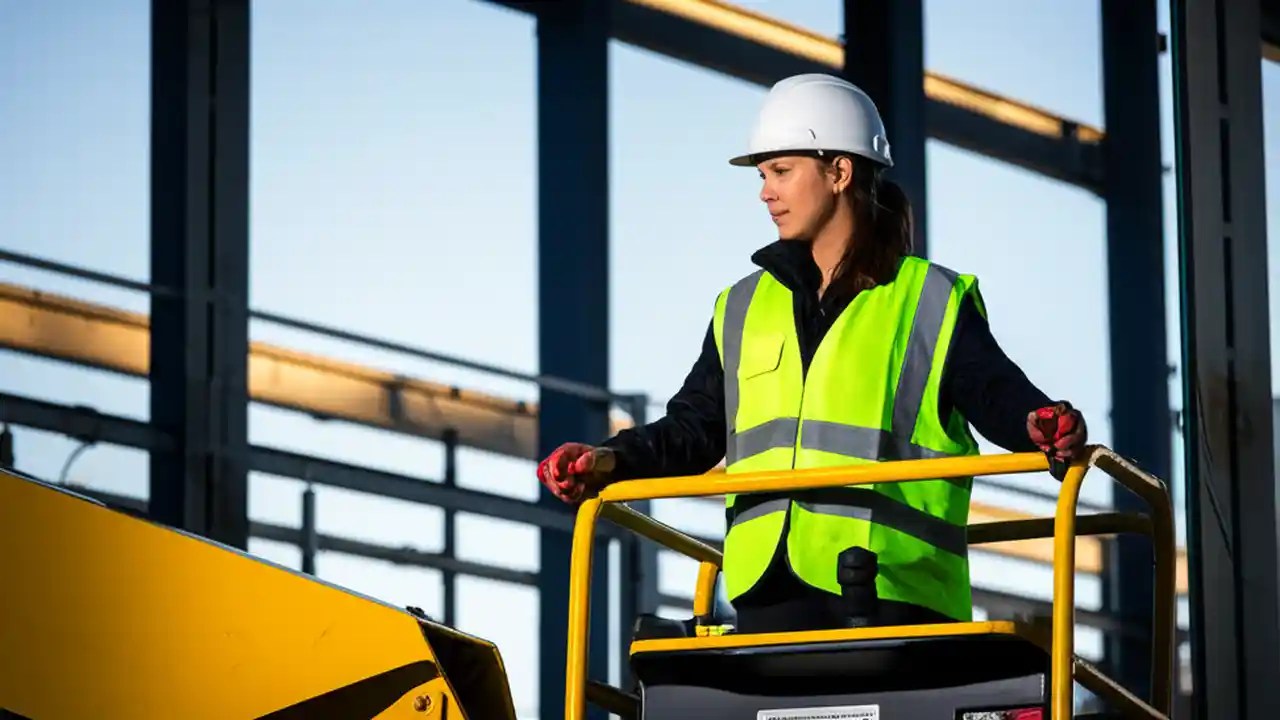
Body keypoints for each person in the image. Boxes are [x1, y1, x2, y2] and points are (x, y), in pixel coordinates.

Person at [535, 73, 1088, 634]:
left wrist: (1041, 425)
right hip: (766, 602)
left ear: (840, 171)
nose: (765, 192)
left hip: (899, 604)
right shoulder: (743, 306)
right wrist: (608, 461)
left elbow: (997, 394)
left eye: (781, 171)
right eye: (762, 175)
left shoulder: (929, 302)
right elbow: (694, 429)